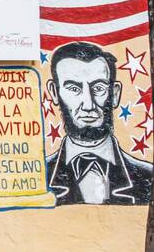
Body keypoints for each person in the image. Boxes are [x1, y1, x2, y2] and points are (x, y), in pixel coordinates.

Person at [45, 41, 152, 205]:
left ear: (115, 93)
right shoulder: (36, 181)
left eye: (98, 88)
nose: (88, 105)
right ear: (54, 92)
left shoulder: (148, 176)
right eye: (74, 89)